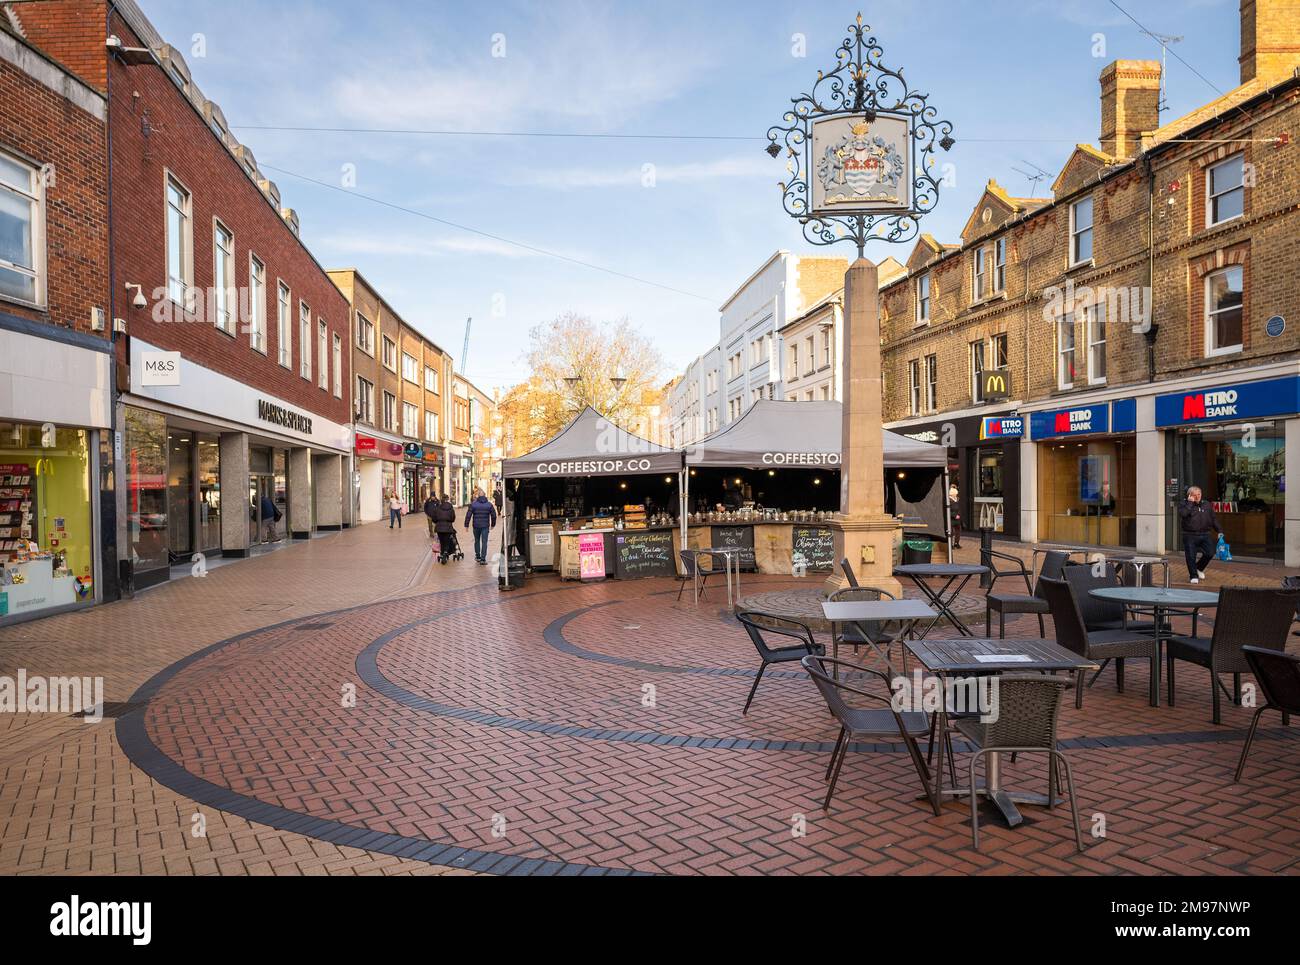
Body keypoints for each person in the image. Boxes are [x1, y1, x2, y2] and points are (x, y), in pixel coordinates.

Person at [1178, 485, 1222, 584]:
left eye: (1199, 494)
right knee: (1191, 556)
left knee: (1210, 553)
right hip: (1189, 535)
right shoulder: (1184, 504)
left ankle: (1199, 568)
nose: (1198, 497)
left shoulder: (1206, 504)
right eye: (1195, 495)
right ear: (1190, 495)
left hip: (1205, 534)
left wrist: (1220, 531)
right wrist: (1190, 502)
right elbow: (1183, 514)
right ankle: (1193, 576)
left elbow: (1213, 519)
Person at [464, 487, 498, 565]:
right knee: (484, 542)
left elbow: (468, 515)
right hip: (485, 526)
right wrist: (493, 524)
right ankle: (483, 559)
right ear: (485, 495)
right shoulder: (489, 505)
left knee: (477, 540)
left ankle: (478, 556)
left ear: (478, 496)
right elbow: (494, 515)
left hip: (476, 526)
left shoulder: (473, 504)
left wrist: (466, 525)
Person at [433, 493, 456, 562]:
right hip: (448, 527)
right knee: (447, 541)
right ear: (447, 499)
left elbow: (434, 518)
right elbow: (453, 518)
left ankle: (443, 554)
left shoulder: (438, 508)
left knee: (442, 541)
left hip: (439, 528)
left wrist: (438, 522)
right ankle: (446, 552)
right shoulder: (451, 508)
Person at [948, 484, 962, 549]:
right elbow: (948, 511)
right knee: (951, 532)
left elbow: (959, 508)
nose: (956, 495)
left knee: (958, 531)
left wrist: (959, 515)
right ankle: (950, 545)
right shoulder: (949, 501)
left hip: (957, 519)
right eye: (955, 494)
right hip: (952, 519)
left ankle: (956, 543)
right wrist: (954, 515)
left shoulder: (957, 499)